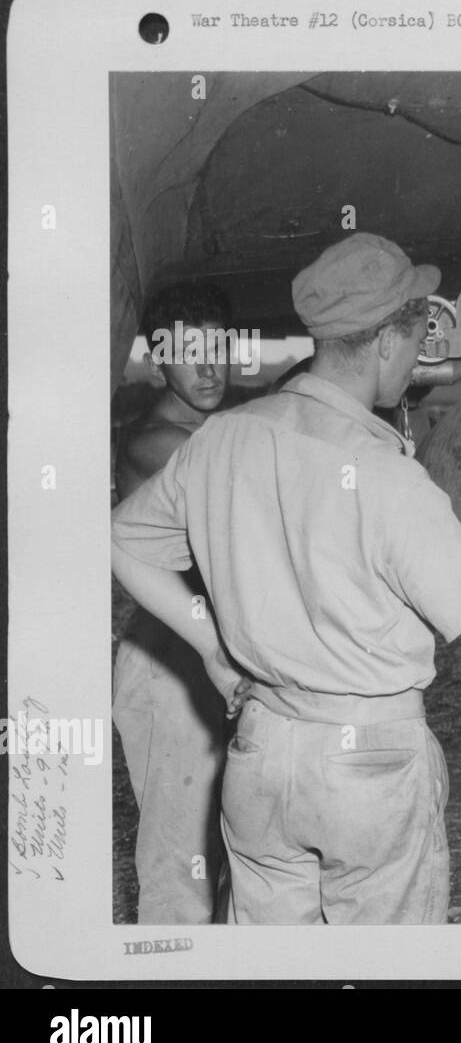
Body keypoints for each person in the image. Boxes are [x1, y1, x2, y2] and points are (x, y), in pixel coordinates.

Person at [112, 232, 461, 924]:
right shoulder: (388, 475)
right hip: (370, 768)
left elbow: (123, 538)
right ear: (390, 345)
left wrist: (213, 646)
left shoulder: (223, 438)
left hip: (263, 749)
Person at [112, 281, 233, 924]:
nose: (209, 365)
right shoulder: (155, 443)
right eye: (190, 351)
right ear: (159, 360)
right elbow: (227, 479)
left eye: (218, 346)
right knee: (178, 868)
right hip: (168, 659)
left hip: (218, 646)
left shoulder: (219, 429)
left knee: (233, 850)